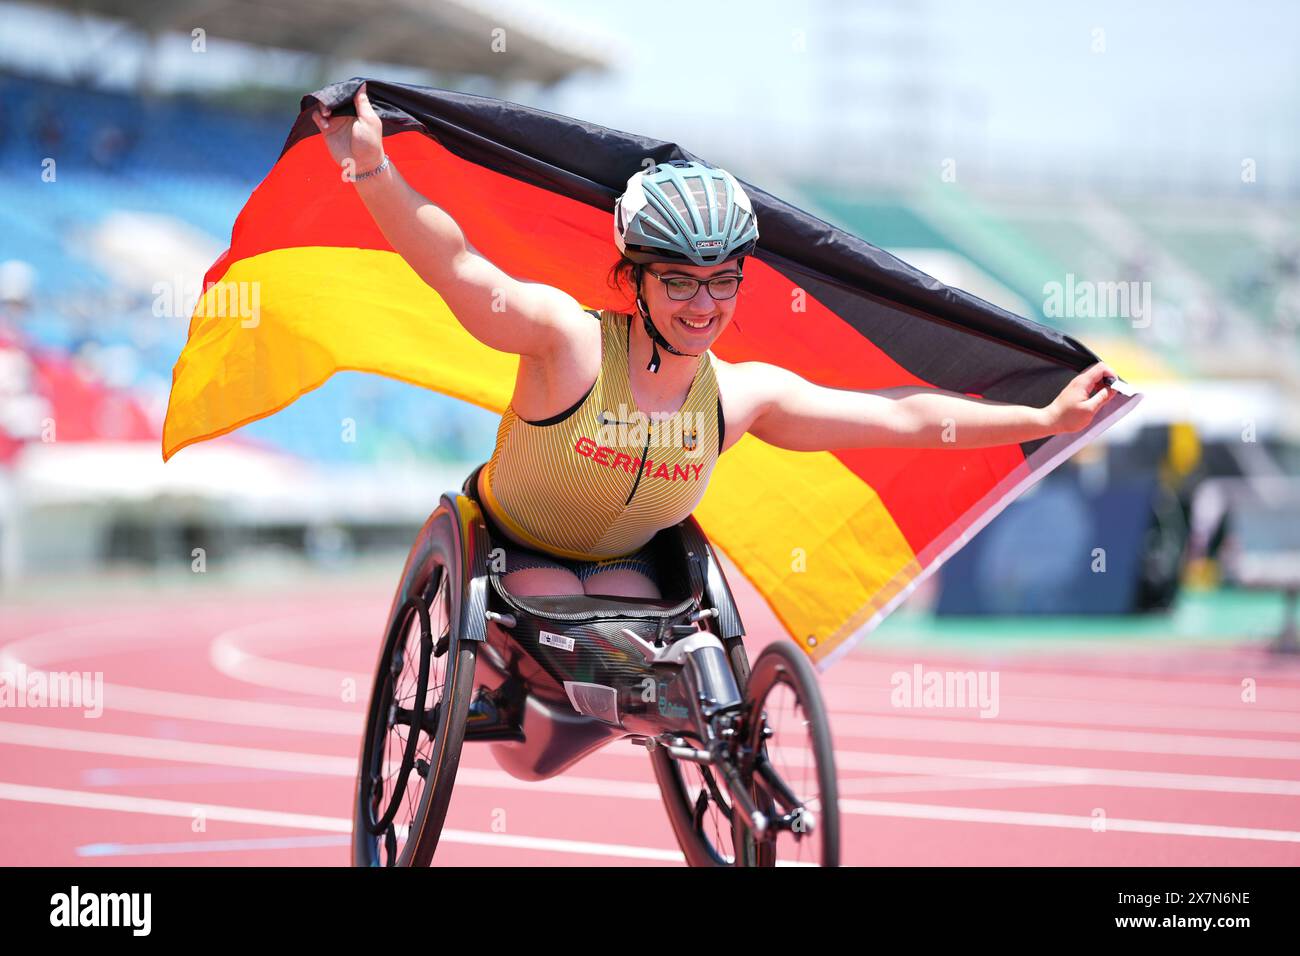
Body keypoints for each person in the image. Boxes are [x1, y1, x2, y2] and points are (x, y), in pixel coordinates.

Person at [312, 84, 1118, 604]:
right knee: (557, 588)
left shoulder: (741, 397)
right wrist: (372, 172)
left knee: (663, 619)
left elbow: (902, 418)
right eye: (679, 281)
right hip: (513, 555)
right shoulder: (565, 342)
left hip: (632, 584)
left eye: (723, 280)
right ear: (634, 279)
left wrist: (1045, 420)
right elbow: (454, 264)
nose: (704, 305)